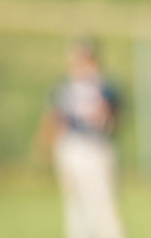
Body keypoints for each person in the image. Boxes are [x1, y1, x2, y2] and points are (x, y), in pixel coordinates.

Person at [34, 38, 125, 238]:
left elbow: (112, 118)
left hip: (95, 146)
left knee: (103, 207)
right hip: (71, 146)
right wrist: (45, 146)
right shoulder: (68, 86)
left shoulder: (103, 87)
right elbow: (54, 118)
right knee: (76, 207)